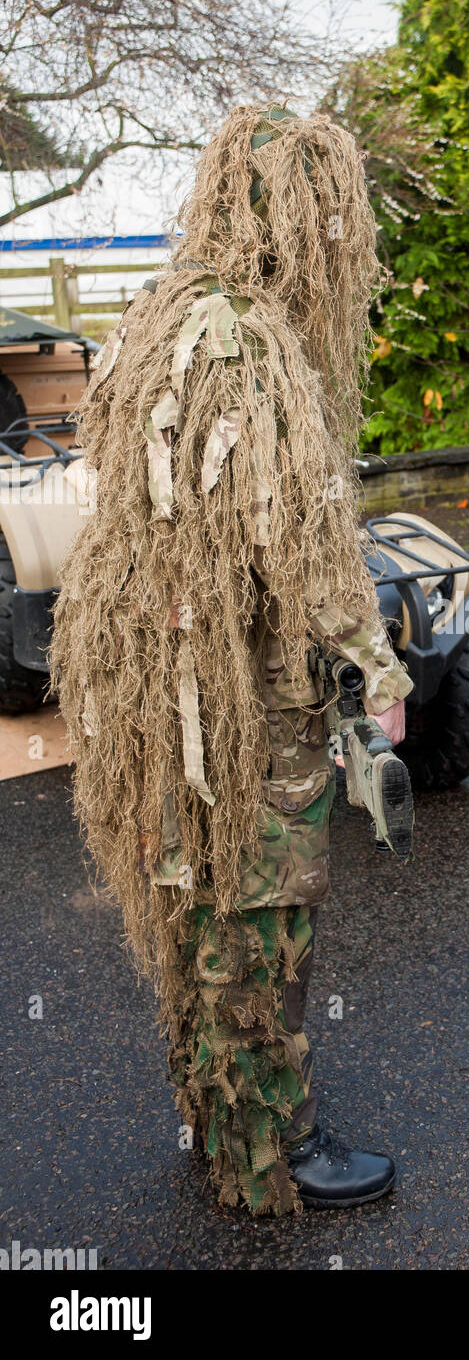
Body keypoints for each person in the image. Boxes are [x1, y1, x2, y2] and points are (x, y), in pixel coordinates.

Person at [49, 105, 413, 1213]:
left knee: (192, 895)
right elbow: (295, 540)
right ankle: (269, 1159)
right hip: (238, 695)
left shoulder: (158, 312)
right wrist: (378, 668)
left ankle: (213, 1117)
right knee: (258, 914)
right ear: (301, 219)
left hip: (156, 679)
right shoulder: (248, 339)